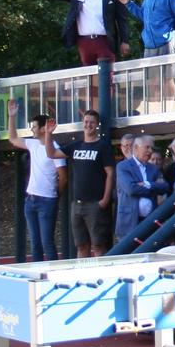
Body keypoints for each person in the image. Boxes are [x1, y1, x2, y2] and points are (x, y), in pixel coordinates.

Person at [5, 100, 65, 263]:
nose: (32, 129)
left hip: (47, 200)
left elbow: (63, 176)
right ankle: (37, 274)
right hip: (31, 199)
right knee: (35, 244)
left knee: (47, 242)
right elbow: (13, 139)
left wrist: (55, 195)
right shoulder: (33, 144)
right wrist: (12, 117)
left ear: (44, 128)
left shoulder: (54, 147)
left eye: (34, 126)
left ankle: (52, 274)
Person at [67, 109, 116, 257]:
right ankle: (81, 276)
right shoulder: (76, 146)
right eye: (86, 122)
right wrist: (49, 134)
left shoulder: (102, 147)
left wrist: (105, 199)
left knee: (98, 245)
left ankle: (101, 276)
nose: (88, 125)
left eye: (92, 122)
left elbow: (110, 173)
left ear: (97, 125)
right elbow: (51, 153)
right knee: (81, 245)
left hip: (96, 205)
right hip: (77, 204)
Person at [115, 134, 168, 240]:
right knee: (130, 255)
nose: (150, 151)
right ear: (136, 148)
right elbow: (131, 189)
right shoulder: (123, 166)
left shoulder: (153, 168)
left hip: (149, 222)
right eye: (147, 147)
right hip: (129, 222)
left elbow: (164, 187)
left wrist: (147, 184)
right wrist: (153, 188)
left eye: (151, 148)